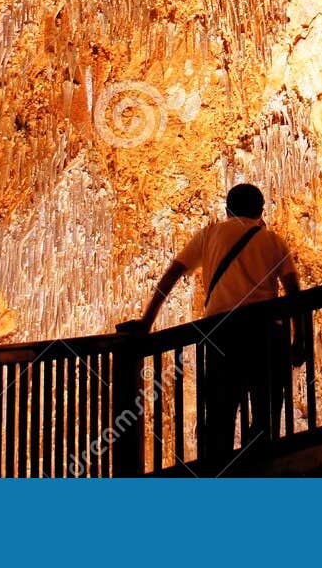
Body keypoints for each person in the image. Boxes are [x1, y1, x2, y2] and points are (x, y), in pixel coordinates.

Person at [133, 184, 303, 461]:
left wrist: (146, 321)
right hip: (265, 335)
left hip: (221, 334)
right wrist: (300, 338)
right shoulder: (273, 240)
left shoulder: (209, 235)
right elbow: (294, 292)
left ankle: (218, 472)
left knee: (220, 412)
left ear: (227, 210)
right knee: (265, 410)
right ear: (261, 211)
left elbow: (172, 275)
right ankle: (258, 467)